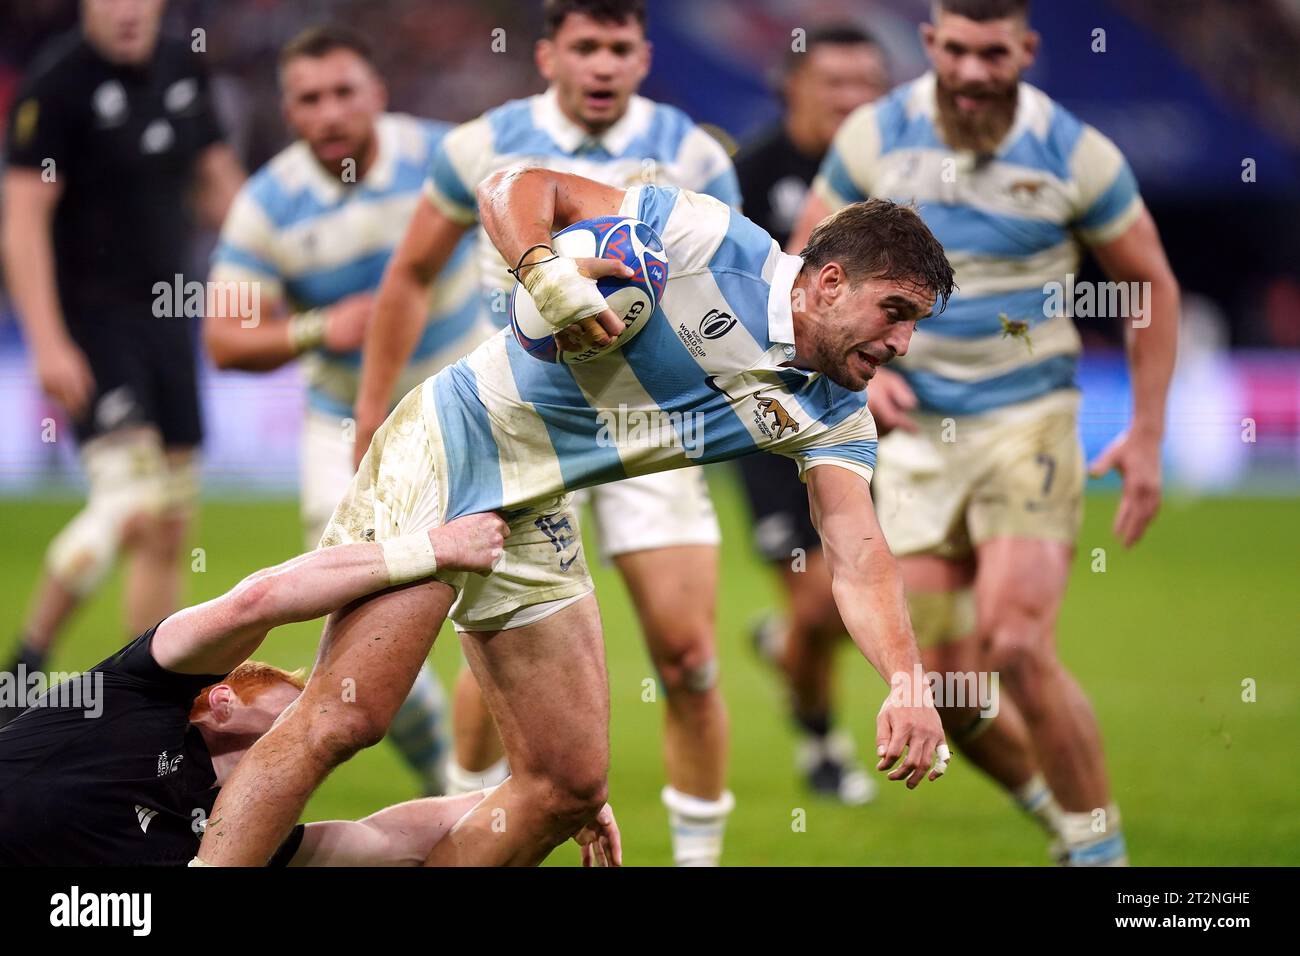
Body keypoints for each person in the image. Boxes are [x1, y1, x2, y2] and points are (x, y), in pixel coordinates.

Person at [193, 166, 955, 869]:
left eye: (915, 322)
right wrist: (541, 268)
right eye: (894, 312)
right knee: (345, 719)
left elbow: (858, 555)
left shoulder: (837, 414)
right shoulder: (710, 239)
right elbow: (514, 185)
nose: (901, 342)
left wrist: (907, 684)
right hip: (451, 447)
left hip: (531, 508)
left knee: (565, 787)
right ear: (827, 283)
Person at [354, 0, 744, 864]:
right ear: (547, 55)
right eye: (585, 47)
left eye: (619, 47)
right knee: (502, 660)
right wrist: (371, 409)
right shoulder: (482, 146)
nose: (603, 64)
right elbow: (410, 275)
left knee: (686, 657)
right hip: (519, 425)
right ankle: (468, 827)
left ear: (645, 56)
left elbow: (729, 286)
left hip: (651, 426)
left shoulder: (697, 153)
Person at [791, 0, 1180, 865]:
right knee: (948, 686)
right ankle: (1063, 825)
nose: (972, 71)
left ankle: (1107, 862)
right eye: (956, 50)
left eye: (992, 53)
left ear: (1027, 50)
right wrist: (859, 370)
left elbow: (1147, 282)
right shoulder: (873, 136)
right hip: (921, 434)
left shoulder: (1077, 153)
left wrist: (1148, 433)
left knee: (1014, 645)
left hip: (1027, 419)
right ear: (930, 44)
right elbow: (805, 258)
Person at [0, 508, 621, 867]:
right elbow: (258, 599)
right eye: (289, 703)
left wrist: (555, 792)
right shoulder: (140, 691)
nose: (309, 718)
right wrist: (429, 549)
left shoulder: (239, 827)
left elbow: (387, 837)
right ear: (222, 700)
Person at [205, 24, 492, 795]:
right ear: (289, 111)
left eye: (343, 93)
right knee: (351, 621)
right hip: (346, 429)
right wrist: (315, 328)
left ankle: (497, 788)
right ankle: (454, 793)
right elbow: (224, 340)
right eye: (309, 99)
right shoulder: (266, 205)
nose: (329, 112)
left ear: (378, 95)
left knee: (502, 605)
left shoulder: (447, 157)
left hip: (473, 409)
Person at [0, 0, 244, 724]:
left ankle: (149, 704)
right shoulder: (57, 86)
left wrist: (267, 262)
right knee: (131, 502)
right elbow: (23, 220)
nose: (129, 9)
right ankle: (22, 666)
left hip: (171, 322)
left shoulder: (181, 64)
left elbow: (218, 180)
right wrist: (46, 339)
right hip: (92, 323)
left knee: (169, 526)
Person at [733, 23, 890, 805]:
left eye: (868, 84)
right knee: (813, 598)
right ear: (792, 84)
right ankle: (824, 749)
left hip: (849, 415)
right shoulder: (749, 173)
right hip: (763, 417)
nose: (854, 99)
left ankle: (783, 646)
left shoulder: (889, 182)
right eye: (837, 83)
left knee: (839, 599)